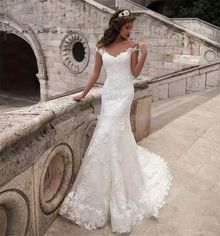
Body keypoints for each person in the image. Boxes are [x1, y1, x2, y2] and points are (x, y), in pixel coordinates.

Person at [59, 9, 173, 234]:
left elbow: (135, 73)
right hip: (109, 94)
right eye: (127, 27)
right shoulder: (101, 46)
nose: (130, 31)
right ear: (117, 26)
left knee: (108, 135)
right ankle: (99, 192)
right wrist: (84, 94)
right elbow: (95, 74)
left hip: (124, 94)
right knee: (110, 136)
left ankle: (118, 193)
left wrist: (143, 54)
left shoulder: (131, 46)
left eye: (131, 28)